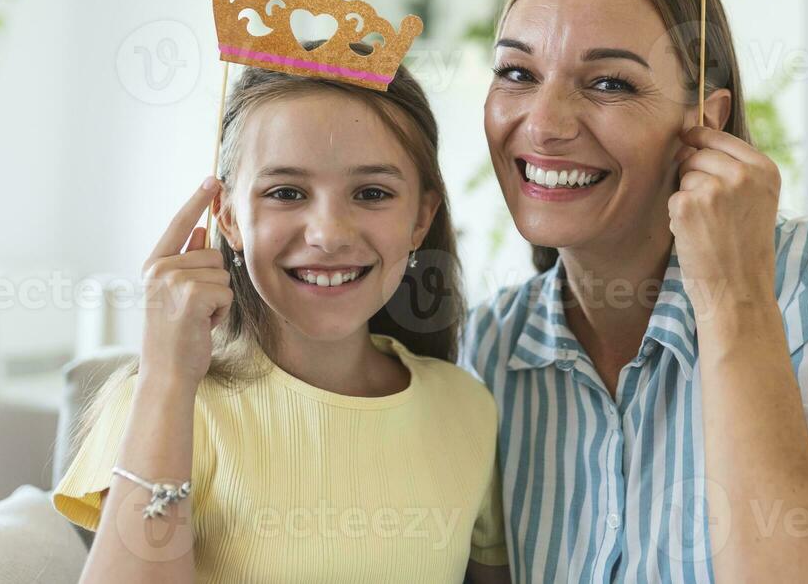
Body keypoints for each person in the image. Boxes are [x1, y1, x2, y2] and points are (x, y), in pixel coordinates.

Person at [462, 0, 808, 583]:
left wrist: (733, 294)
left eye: (609, 84)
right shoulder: (488, 348)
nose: (545, 124)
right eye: (518, 72)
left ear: (706, 123)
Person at [55, 55, 511, 583]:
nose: (329, 235)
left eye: (371, 193)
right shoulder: (163, 404)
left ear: (420, 219)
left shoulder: (467, 408)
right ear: (227, 218)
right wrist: (165, 381)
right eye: (286, 193)